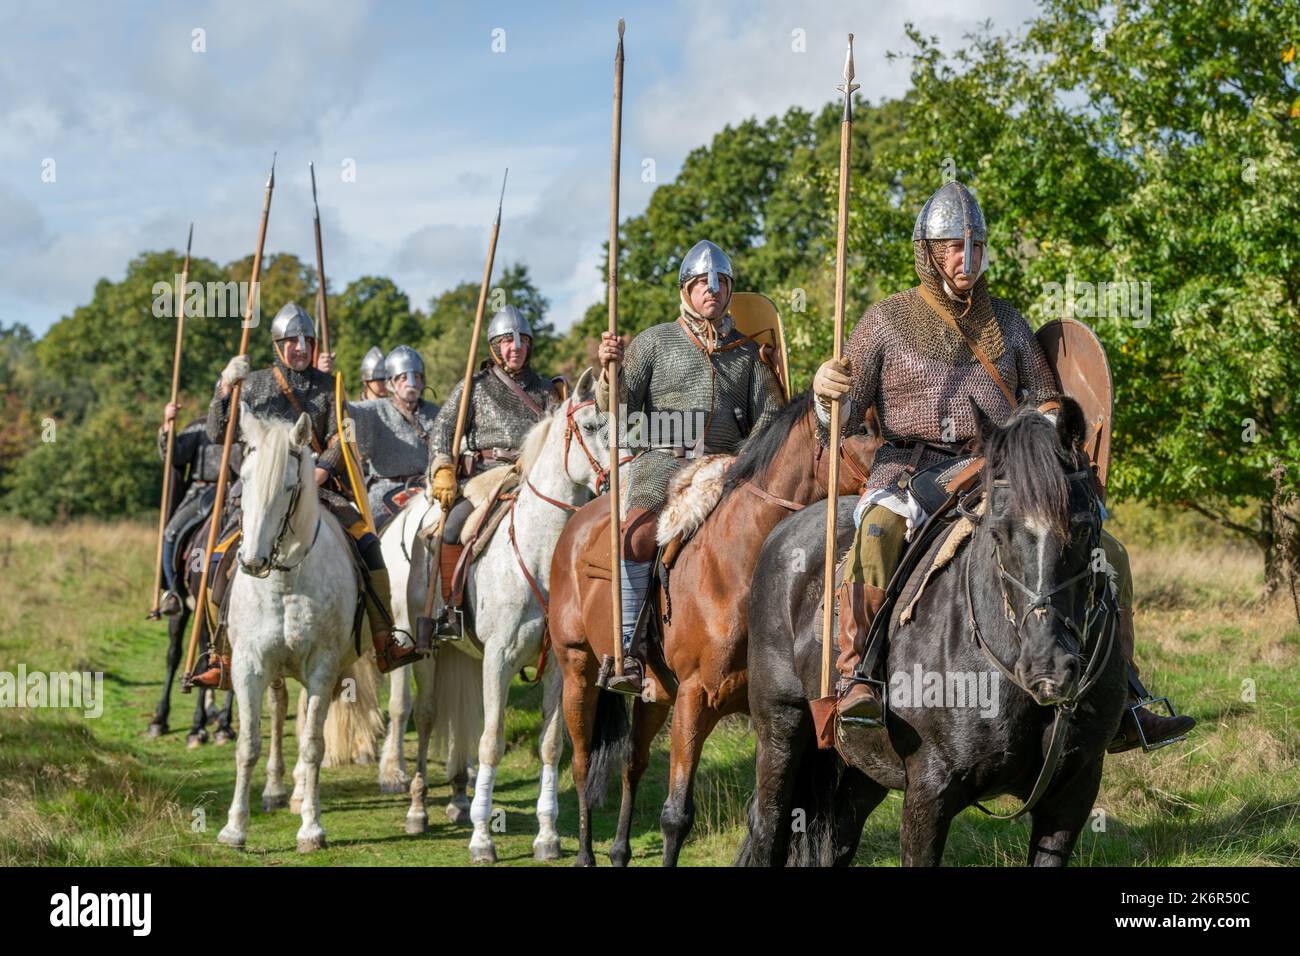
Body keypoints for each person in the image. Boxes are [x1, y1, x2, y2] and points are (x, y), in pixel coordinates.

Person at [812, 180, 1195, 750]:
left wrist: (1042, 426)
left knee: (1105, 552)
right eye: (953, 247)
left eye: (976, 246)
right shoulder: (887, 322)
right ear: (928, 252)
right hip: (910, 470)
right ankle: (857, 677)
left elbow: (1042, 397)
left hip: (996, 469)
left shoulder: (1009, 324)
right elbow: (835, 428)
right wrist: (825, 394)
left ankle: (1124, 698)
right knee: (876, 532)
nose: (967, 258)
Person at [191, 302, 423, 686]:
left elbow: (341, 436)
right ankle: (223, 654)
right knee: (218, 556)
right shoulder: (257, 383)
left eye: (306, 340)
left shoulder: (329, 385)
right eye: (291, 341)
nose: (300, 347)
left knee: (368, 546)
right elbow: (219, 433)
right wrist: (225, 388)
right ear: (278, 345)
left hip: (318, 491)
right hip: (262, 495)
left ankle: (384, 640)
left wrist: (320, 470)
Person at [595, 239, 785, 695]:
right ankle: (629, 650)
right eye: (702, 282)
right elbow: (617, 418)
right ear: (685, 289)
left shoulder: (747, 353)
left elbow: (768, 420)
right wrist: (611, 374)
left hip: (729, 468)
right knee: (637, 535)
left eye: (720, 282)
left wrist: (747, 458)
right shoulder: (654, 342)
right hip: (664, 461)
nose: (712, 289)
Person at [426, 305, 563, 633]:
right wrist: (443, 466)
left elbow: (560, 437)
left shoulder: (546, 391)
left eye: (521, 341)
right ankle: (452, 612)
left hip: (532, 479)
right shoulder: (473, 386)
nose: (515, 346)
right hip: (483, 479)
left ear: (529, 346)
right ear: (494, 347)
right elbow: (443, 429)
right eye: (506, 341)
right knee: (450, 529)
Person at [155, 399, 235, 615]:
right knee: (171, 533)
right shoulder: (200, 426)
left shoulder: (245, 425)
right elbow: (174, 454)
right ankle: (173, 591)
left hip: (237, 492)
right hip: (202, 491)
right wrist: (168, 425)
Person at [348, 345, 439, 529]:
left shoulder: (436, 413)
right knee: (367, 539)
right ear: (391, 383)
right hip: (385, 492)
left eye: (417, 377)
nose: (411, 383)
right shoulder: (376, 410)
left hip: (426, 491)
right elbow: (349, 413)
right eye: (404, 378)